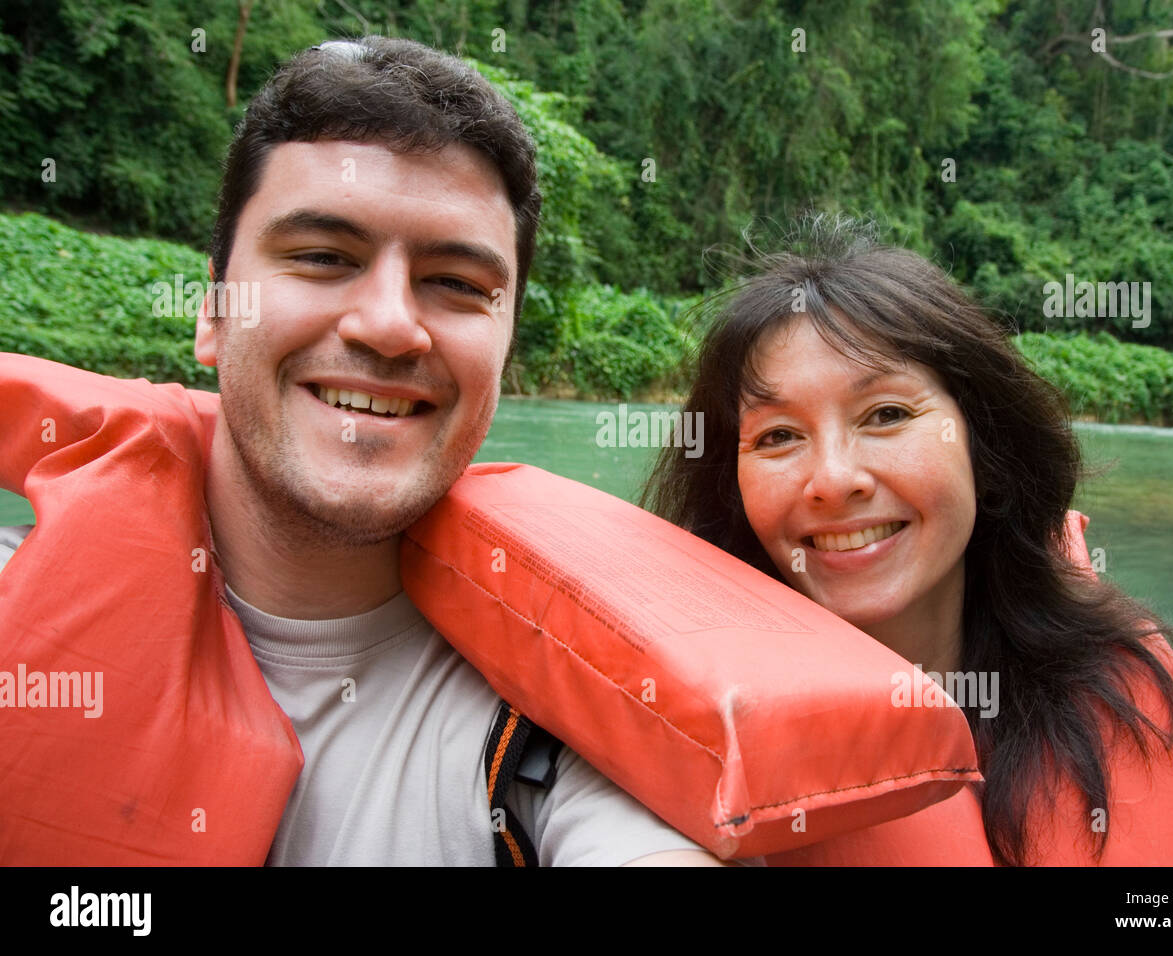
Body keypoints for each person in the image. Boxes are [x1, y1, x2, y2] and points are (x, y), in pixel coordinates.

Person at [0, 36, 718, 866]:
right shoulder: (18, 601)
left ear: (507, 346)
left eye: (454, 282)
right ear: (212, 312)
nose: (387, 324)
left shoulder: (578, 731)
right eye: (321, 257)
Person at [643, 213, 1173, 866]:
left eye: (887, 415)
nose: (834, 480)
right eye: (778, 436)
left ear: (984, 454)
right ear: (732, 485)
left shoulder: (1138, 715)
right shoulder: (684, 762)